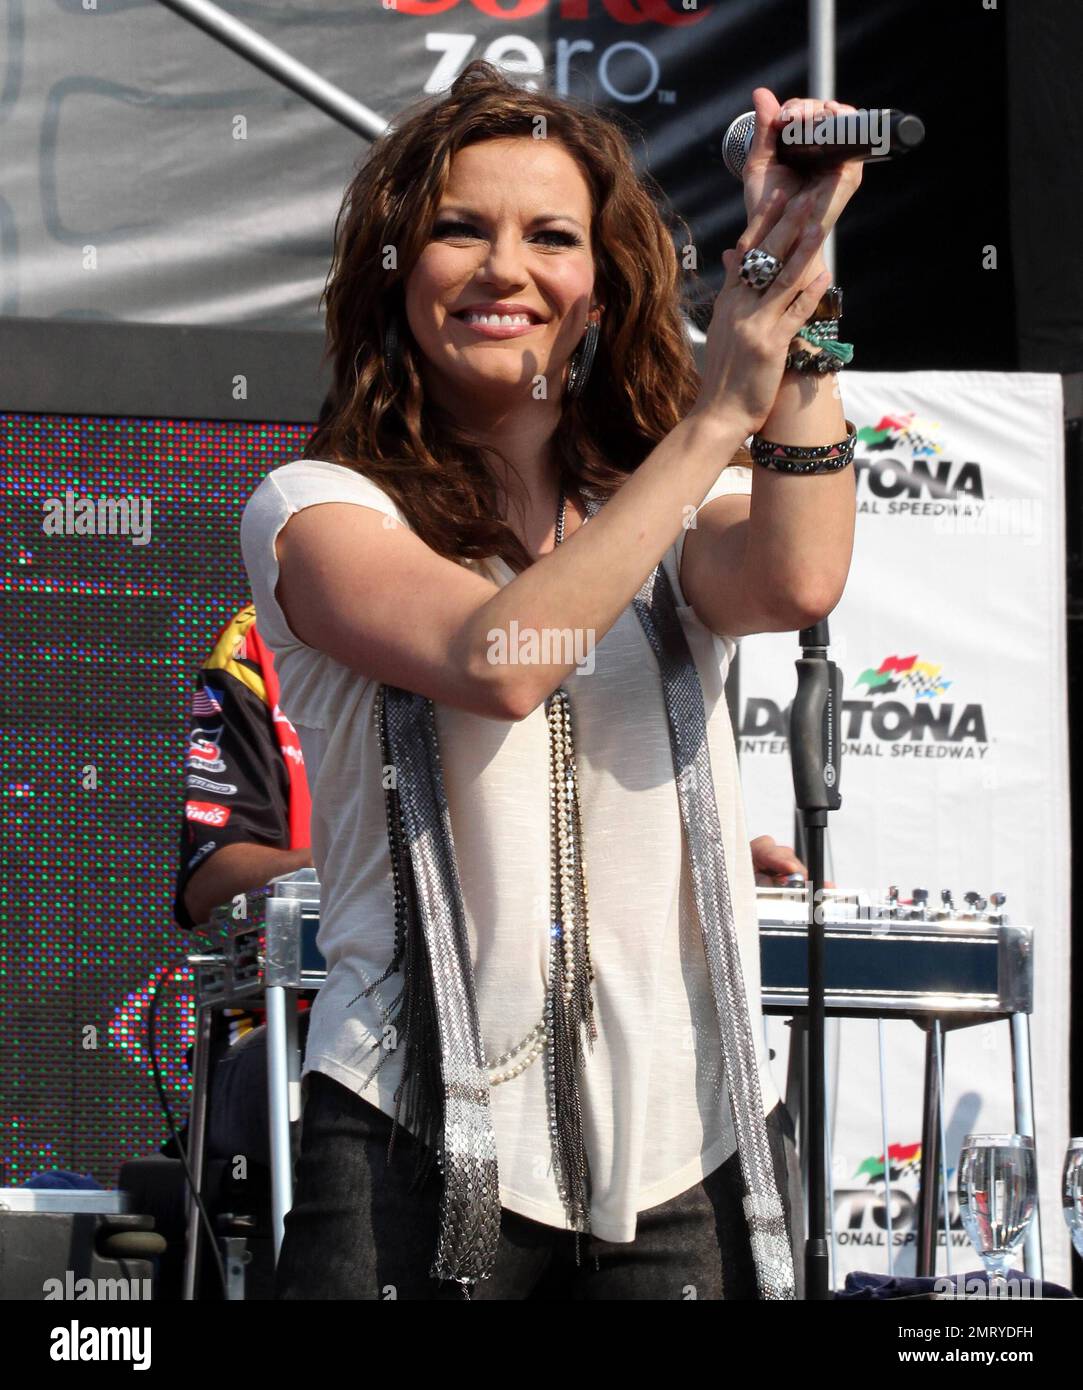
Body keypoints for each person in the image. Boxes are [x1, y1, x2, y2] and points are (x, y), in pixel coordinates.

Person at [240, 61, 861, 1300]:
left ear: (597, 291)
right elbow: (500, 660)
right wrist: (705, 421)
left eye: (551, 237)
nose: (502, 268)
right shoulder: (319, 511)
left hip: (693, 1146)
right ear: (395, 270)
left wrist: (799, 300)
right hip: (416, 1144)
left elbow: (796, 578)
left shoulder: (663, 515)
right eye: (458, 228)